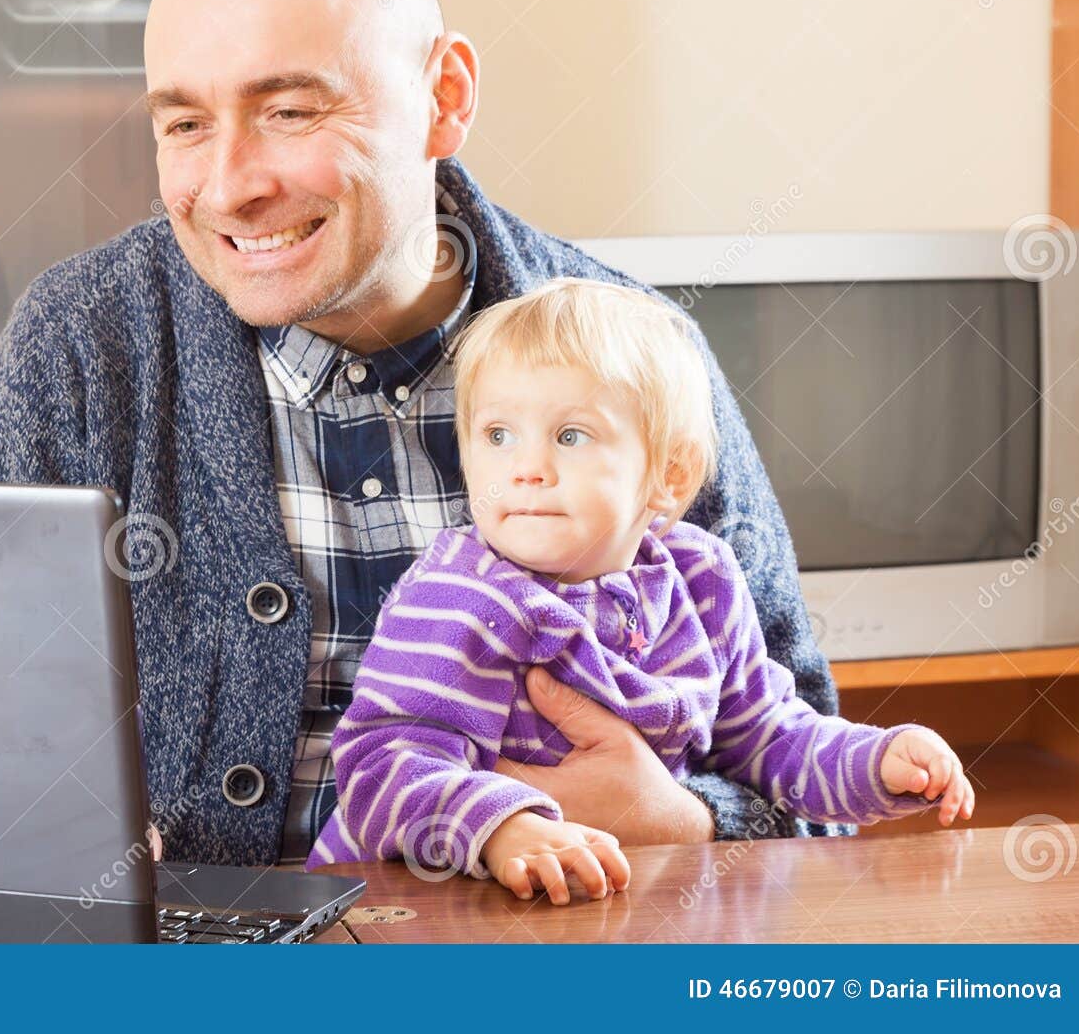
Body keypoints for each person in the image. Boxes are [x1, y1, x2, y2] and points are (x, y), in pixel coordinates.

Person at [0, 0, 845, 865]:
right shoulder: (83, 340)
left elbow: (823, 802)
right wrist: (42, 831)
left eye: (288, 111)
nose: (231, 185)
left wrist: (686, 823)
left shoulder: (638, 358)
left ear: (444, 96)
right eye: (186, 123)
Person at [309, 279, 974, 899]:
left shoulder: (703, 581)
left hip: (616, 907)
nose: (527, 468)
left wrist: (879, 760)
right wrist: (504, 825)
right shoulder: (458, 592)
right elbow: (381, 766)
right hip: (421, 917)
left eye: (570, 435)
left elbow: (770, 737)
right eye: (498, 434)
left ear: (670, 476)